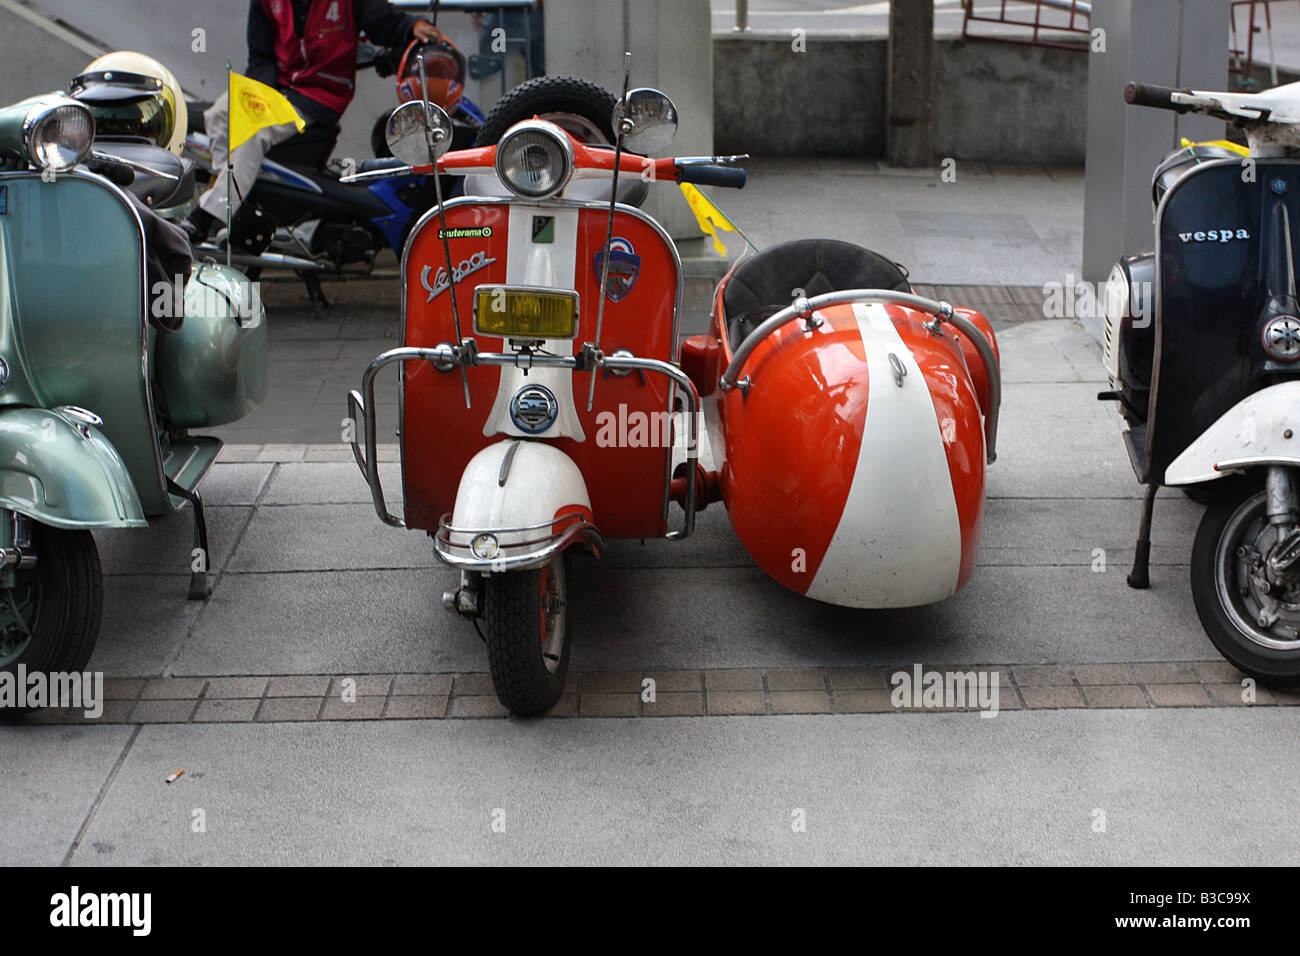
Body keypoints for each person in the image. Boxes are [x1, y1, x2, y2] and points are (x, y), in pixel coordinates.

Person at [190, 0, 441, 239]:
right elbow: (261, 56)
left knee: (253, 130)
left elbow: (384, 20)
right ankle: (235, 202)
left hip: (319, 96)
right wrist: (259, 97)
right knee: (219, 114)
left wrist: (414, 26)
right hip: (279, 89)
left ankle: (213, 215)